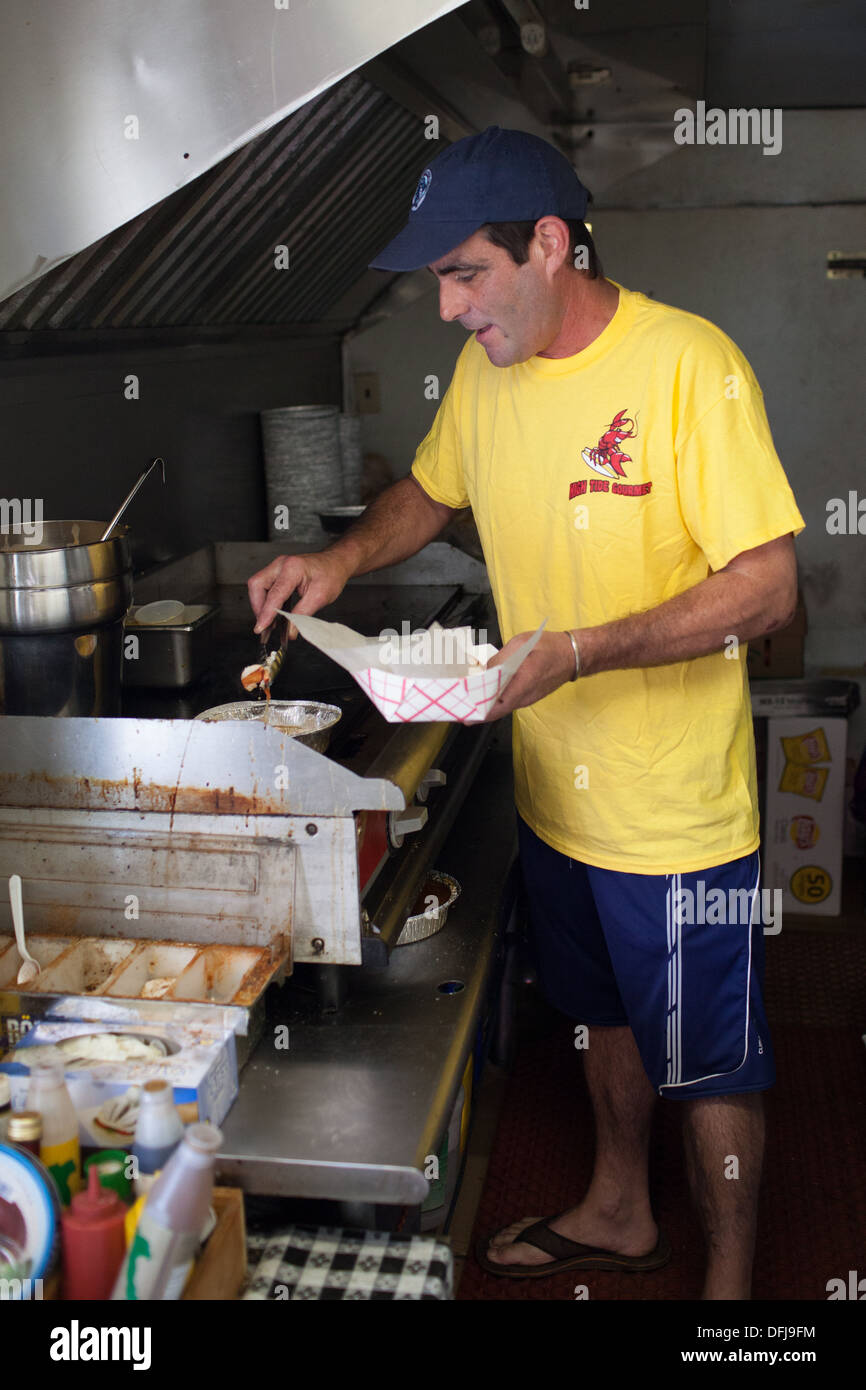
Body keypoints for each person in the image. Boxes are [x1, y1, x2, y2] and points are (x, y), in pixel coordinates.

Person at [248, 126, 805, 1300]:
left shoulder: (684, 366)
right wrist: (340, 559)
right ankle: (617, 1208)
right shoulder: (487, 371)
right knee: (599, 1018)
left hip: (673, 817)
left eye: (463, 274)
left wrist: (587, 649)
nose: (446, 308)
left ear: (546, 245)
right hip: (557, 794)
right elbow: (429, 492)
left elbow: (765, 587)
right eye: (436, 281)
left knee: (712, 1068)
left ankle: (733, 1301)